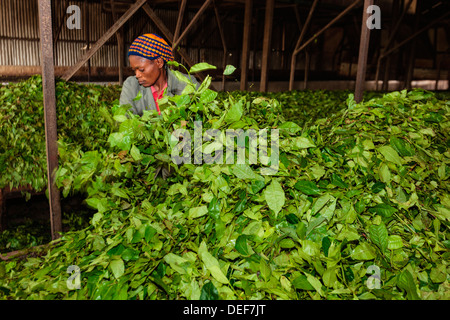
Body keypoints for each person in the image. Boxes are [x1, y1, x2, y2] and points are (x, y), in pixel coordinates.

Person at [119, 33, 198, 116]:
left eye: (141, 70)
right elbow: (126, 121)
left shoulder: (187, 85)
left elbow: (198, 123)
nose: (137, 75)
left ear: (159, 62)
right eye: (134, 70)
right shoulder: (131, 86)